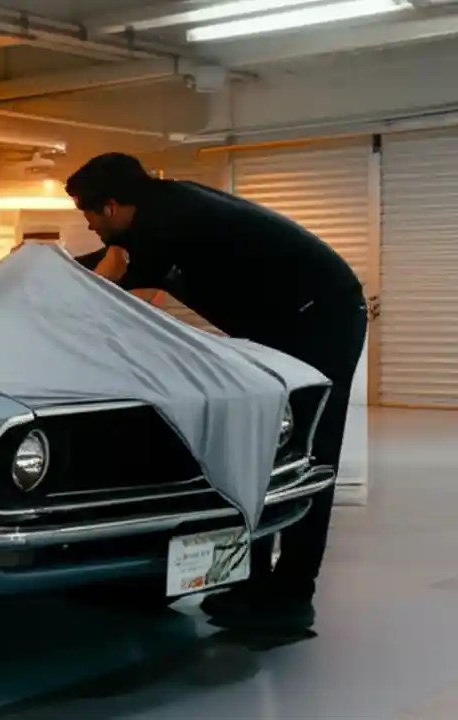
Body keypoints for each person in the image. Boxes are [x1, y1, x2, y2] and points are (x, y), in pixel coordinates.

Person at [63, 152, 368, 621]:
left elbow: (108, 281)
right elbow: (106, 265)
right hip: (290, 319)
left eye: (89, 217)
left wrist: (42, 275)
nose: (92, 229)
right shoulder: (164, 210)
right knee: (260, 446)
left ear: (110, 207)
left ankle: (291, 593)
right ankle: (253, 580)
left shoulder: (166, 222)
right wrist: (48, 262)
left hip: (321, 318)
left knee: (305, 452)